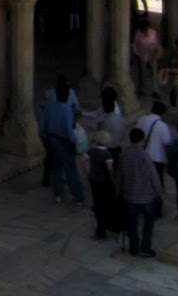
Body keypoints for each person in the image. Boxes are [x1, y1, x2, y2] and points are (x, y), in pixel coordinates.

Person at [115, 127, 163, 259]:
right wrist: (158, 192)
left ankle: (134, 247)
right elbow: (153, 176)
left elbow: (119, 176)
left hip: (130, 196)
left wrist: (119, 191)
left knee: (132, 223)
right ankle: (145, 247)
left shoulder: (123, 155)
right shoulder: (144, 156)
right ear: (141, 140)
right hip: (146, 197)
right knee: (149, 222)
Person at [38, 74, 85, 205]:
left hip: (52, 139)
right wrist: (74, 142)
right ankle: (78, 196)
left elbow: (43, 122)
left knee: (57, 169)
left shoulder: (50, 107)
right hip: (64, 141)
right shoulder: (66, 110)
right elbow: (69, 130)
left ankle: (59, 194)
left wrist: (42, 136)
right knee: (71, 170)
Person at [83, 129, 117, 240]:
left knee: (97, 202)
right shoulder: (106, 153)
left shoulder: (91, 151)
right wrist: (113, 181)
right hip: (104, 181)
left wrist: (87, 173)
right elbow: (110, 169)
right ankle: (108, 226)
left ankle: (100, 230)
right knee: (106, 203)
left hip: (94, 180)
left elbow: (83, 161)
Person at [135, 100, 173, 180]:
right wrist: (168, 160)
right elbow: (167, 143)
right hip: (156, 159)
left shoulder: (141, 119)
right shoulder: (163, 126)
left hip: (141, 155)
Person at [131, 20, 160, 101]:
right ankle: (142, 89)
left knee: (154, 73)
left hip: (152, 55)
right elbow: (134, 44)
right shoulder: (138, 33)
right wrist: (137, 53)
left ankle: (155, 90)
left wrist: (156, 51)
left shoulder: (153, 32)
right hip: (142, 55)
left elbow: (156, 43)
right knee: (142, 73)